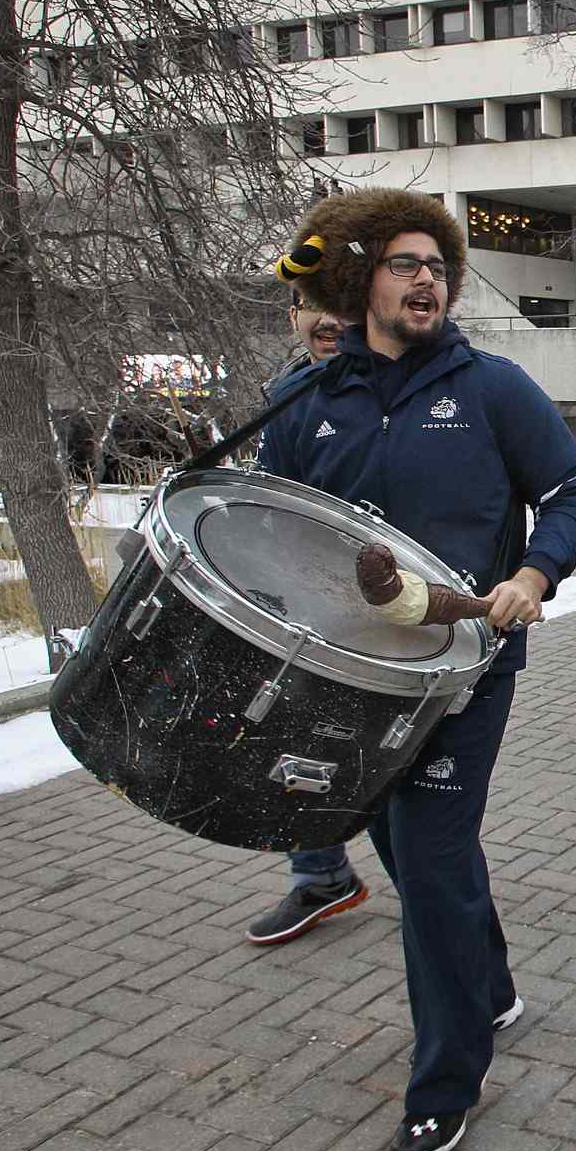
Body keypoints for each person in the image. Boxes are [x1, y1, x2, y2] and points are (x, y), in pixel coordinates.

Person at [257, 188, 576, 1151]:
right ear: (363, 282)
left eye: (438, 267)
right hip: (351, 679)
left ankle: (446, 1078)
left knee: (433, 855)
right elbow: (269, 526)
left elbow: (569, 490)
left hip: (466, 673)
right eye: (406, 264)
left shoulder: (493, 389)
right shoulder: (307, 403)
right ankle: (486, 986)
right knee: (407, 852)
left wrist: (534, 572)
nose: (427, 279)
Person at [244, 287, 369, 948]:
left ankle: (431, 875)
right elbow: (273, 502)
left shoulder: (399, 381)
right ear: (292, 315)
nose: (328, 319)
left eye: (341, 303)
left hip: (398, 615)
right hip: (315, 610)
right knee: (296, 741)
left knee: (396, 758)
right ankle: (320, 873)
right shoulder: (288, 394)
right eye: (311, 304)